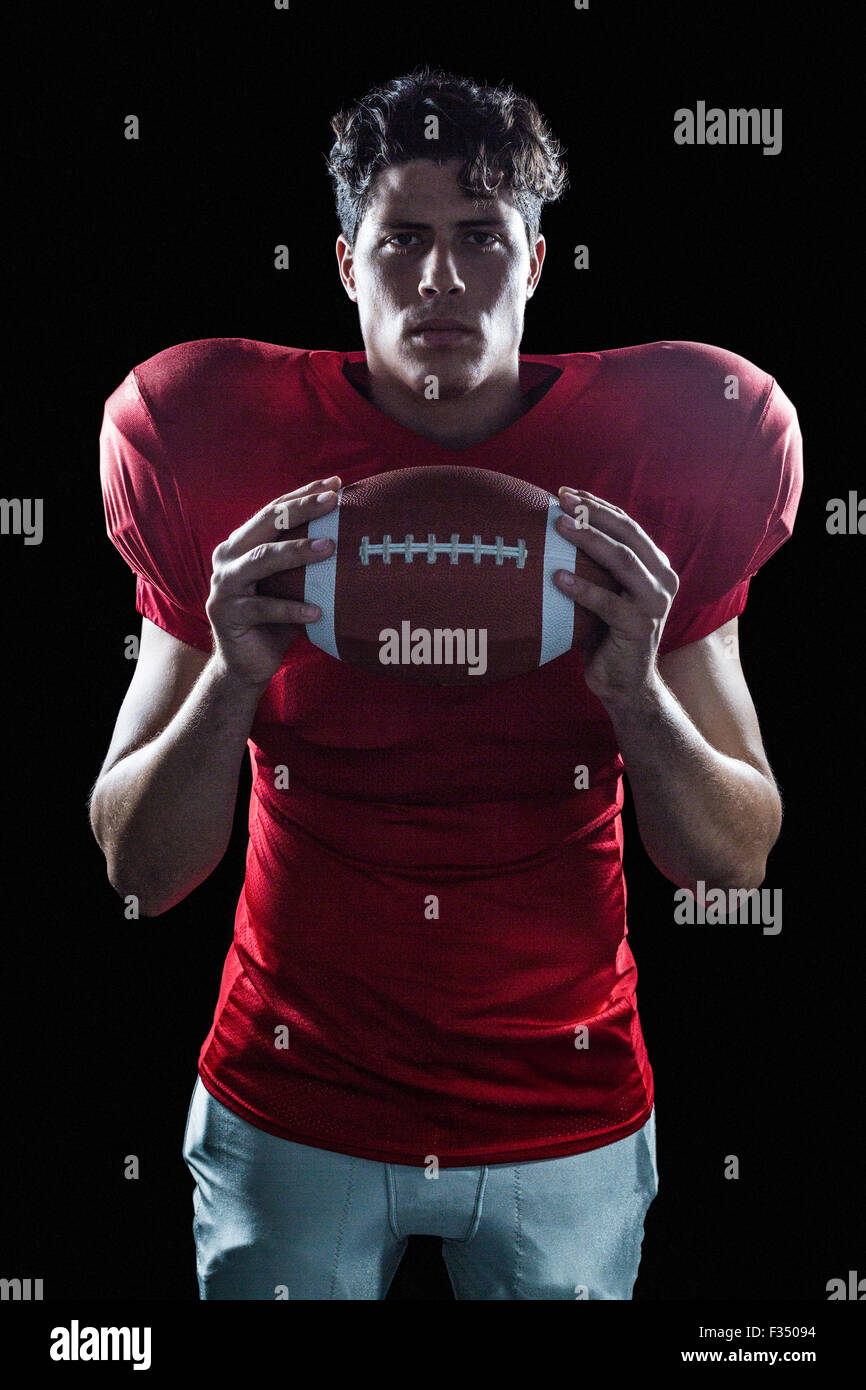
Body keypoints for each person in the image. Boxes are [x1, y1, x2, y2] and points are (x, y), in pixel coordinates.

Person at [89, 65, 802, 1300]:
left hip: (561, 1103)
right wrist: (231, 678)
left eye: (481, 238)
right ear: (341, 262)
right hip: (291, 1091)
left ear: (534, 265)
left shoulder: (676, 442)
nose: (438, 278)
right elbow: (139, 870)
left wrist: (636, 695)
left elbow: (733, 866)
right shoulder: (204, 433)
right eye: (401, 239)